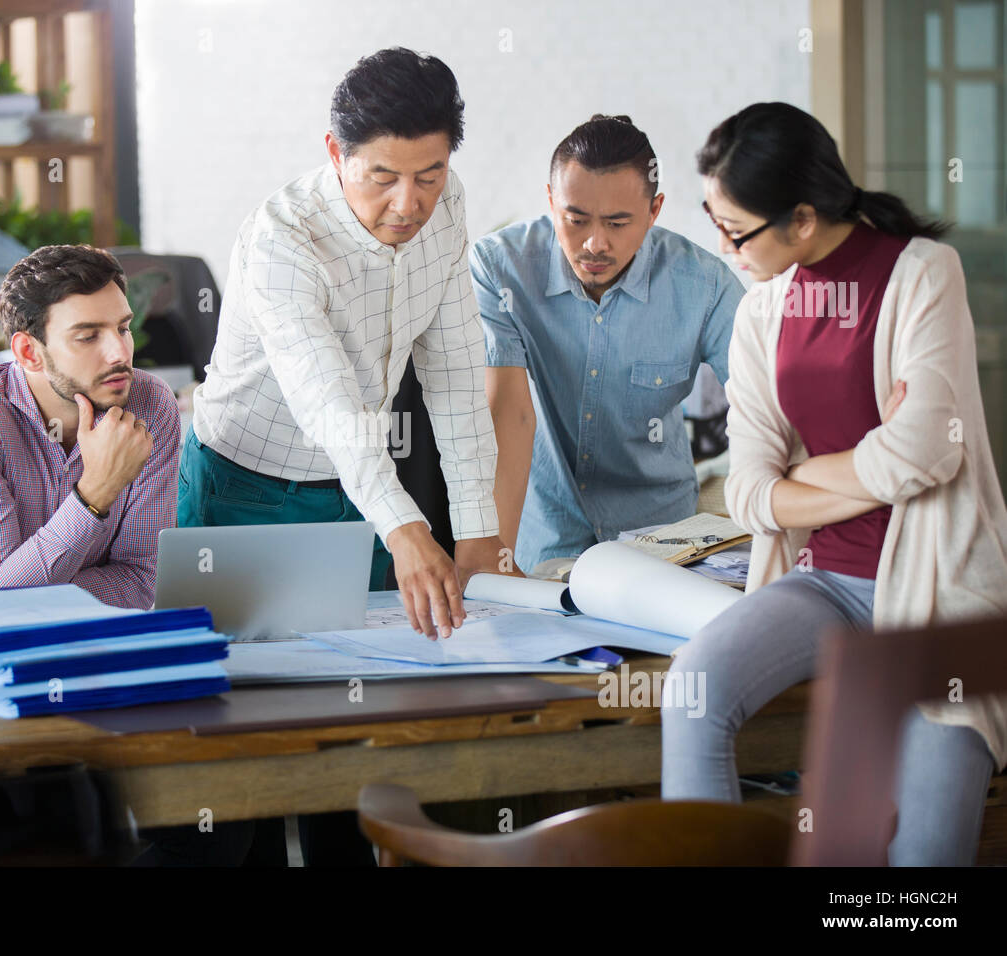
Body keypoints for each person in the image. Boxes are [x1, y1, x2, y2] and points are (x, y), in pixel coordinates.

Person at [661, 101, 1007, 865]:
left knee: (920, 867)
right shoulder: (761, 313)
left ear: (805, 219)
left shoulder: (922, 273)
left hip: (938, 599)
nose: (725, 247)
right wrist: (866, 473)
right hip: (822, 582)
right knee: (693, 690)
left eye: (738, 230)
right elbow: (749, 490)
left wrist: (807, 472)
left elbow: (929, 452)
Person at [183, 47, 511, 645]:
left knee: (384, 673)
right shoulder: (281, 238)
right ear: (336, 153)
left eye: (429, 175)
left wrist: (475, 528)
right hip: (245, 487)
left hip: (364, 488)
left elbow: (455, 371)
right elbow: (328, 405)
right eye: (382, 177)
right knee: (243, 694)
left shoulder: (448, 204)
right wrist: (407, 529)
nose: (409, 203)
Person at [470, 115, 743, 575]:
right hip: (543, 543)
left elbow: (766, 402)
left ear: (654, 211)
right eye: (575, 220)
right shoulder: (501, 267)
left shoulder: (703, 284)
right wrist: (495, 558)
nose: (595, 244)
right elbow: (509, 412)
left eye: (618, 223)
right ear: (551, 201)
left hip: (663, 546)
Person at [0, 244, 179, 609]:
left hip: (92, 643)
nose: (119, 353)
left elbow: (145, 582)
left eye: (123, 328)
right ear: (29, 353)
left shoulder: (151, 405)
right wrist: (96, 492)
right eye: (87, 336)